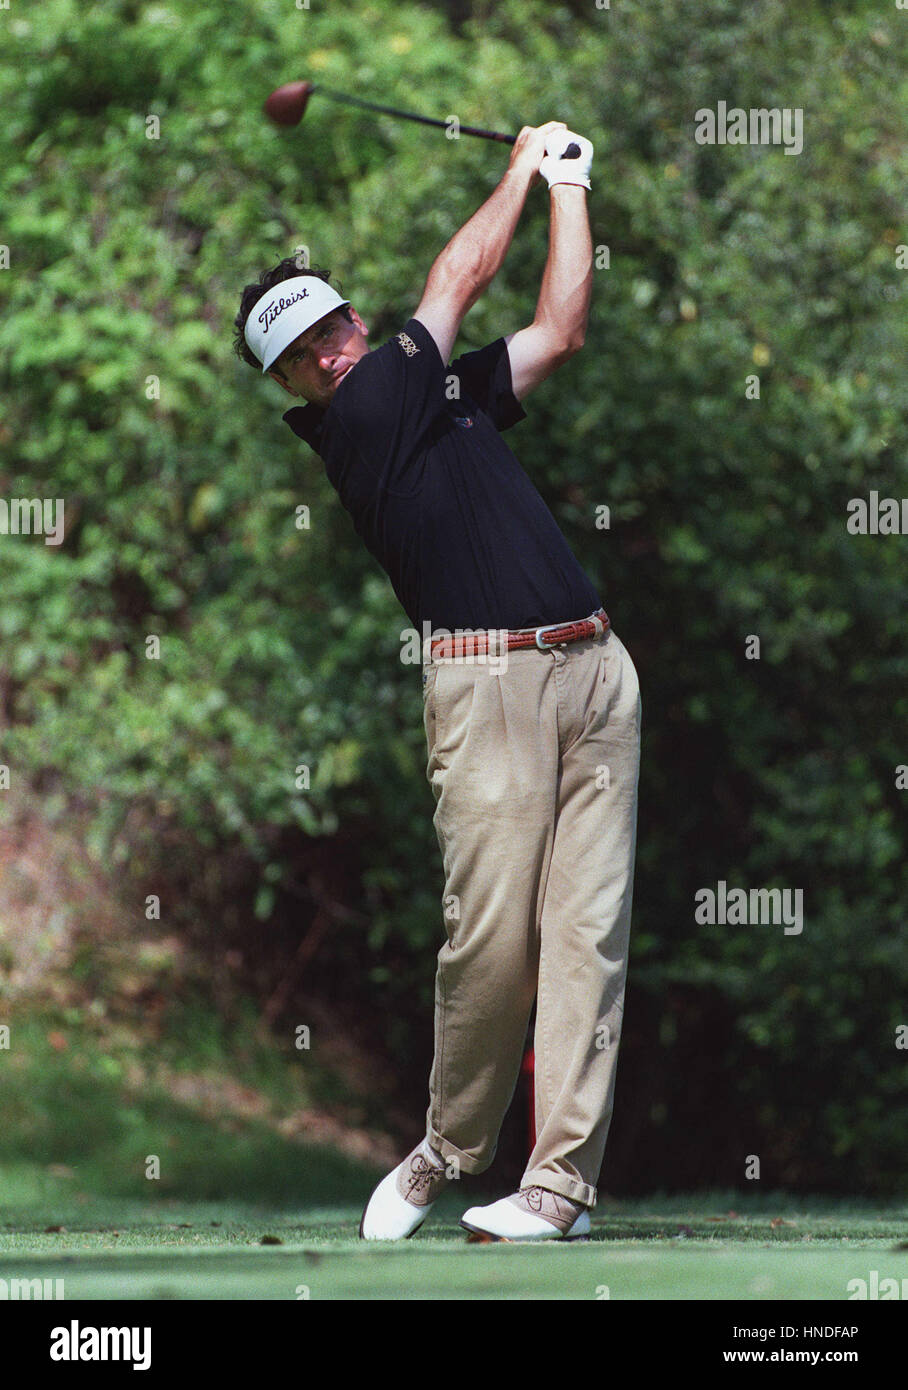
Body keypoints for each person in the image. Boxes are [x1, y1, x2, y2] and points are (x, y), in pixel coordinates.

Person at [234, 122, 641, 1242]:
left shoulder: (434, 396)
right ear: (291, 384)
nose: (326, 350)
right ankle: (446, 1151)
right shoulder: (360, 420)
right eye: (300, 352)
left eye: (330, 325)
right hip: (489, 690)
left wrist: (568, 185)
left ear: (350, 322)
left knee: (585, 942)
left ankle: (555, 1187)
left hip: (596, 672)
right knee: (489, 942)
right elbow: (458, 274)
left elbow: (558, 331)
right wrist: (517, 163)